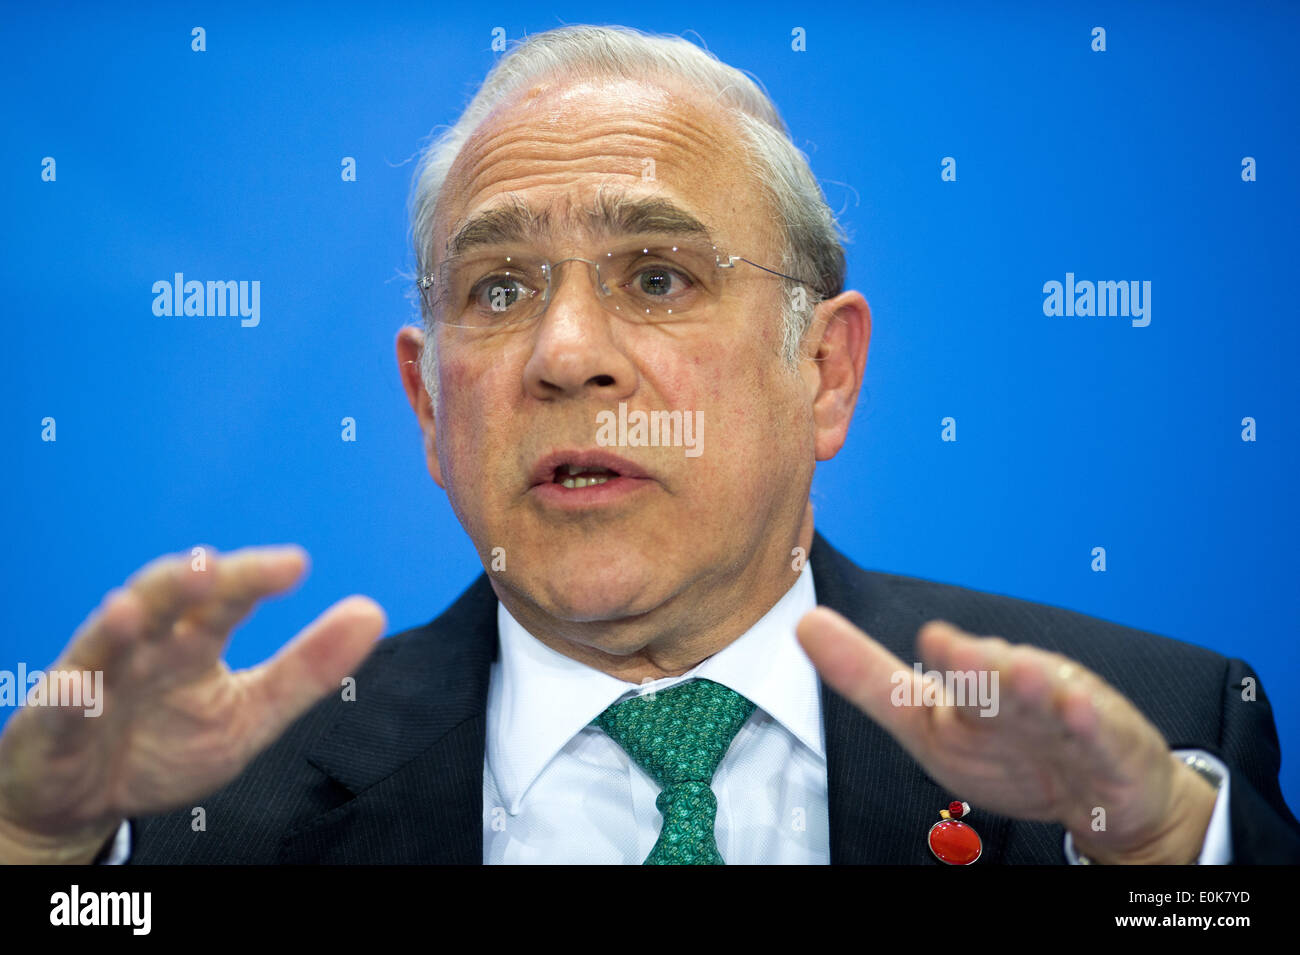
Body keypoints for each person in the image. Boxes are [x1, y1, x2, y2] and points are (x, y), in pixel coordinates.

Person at [1, 24, 1295, 866]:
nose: (568, 354)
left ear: (825, 371)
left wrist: (1169, 865)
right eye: (498, 291)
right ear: (427, 410)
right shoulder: (191, 822)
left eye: (660, 277)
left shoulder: (1161, 743)